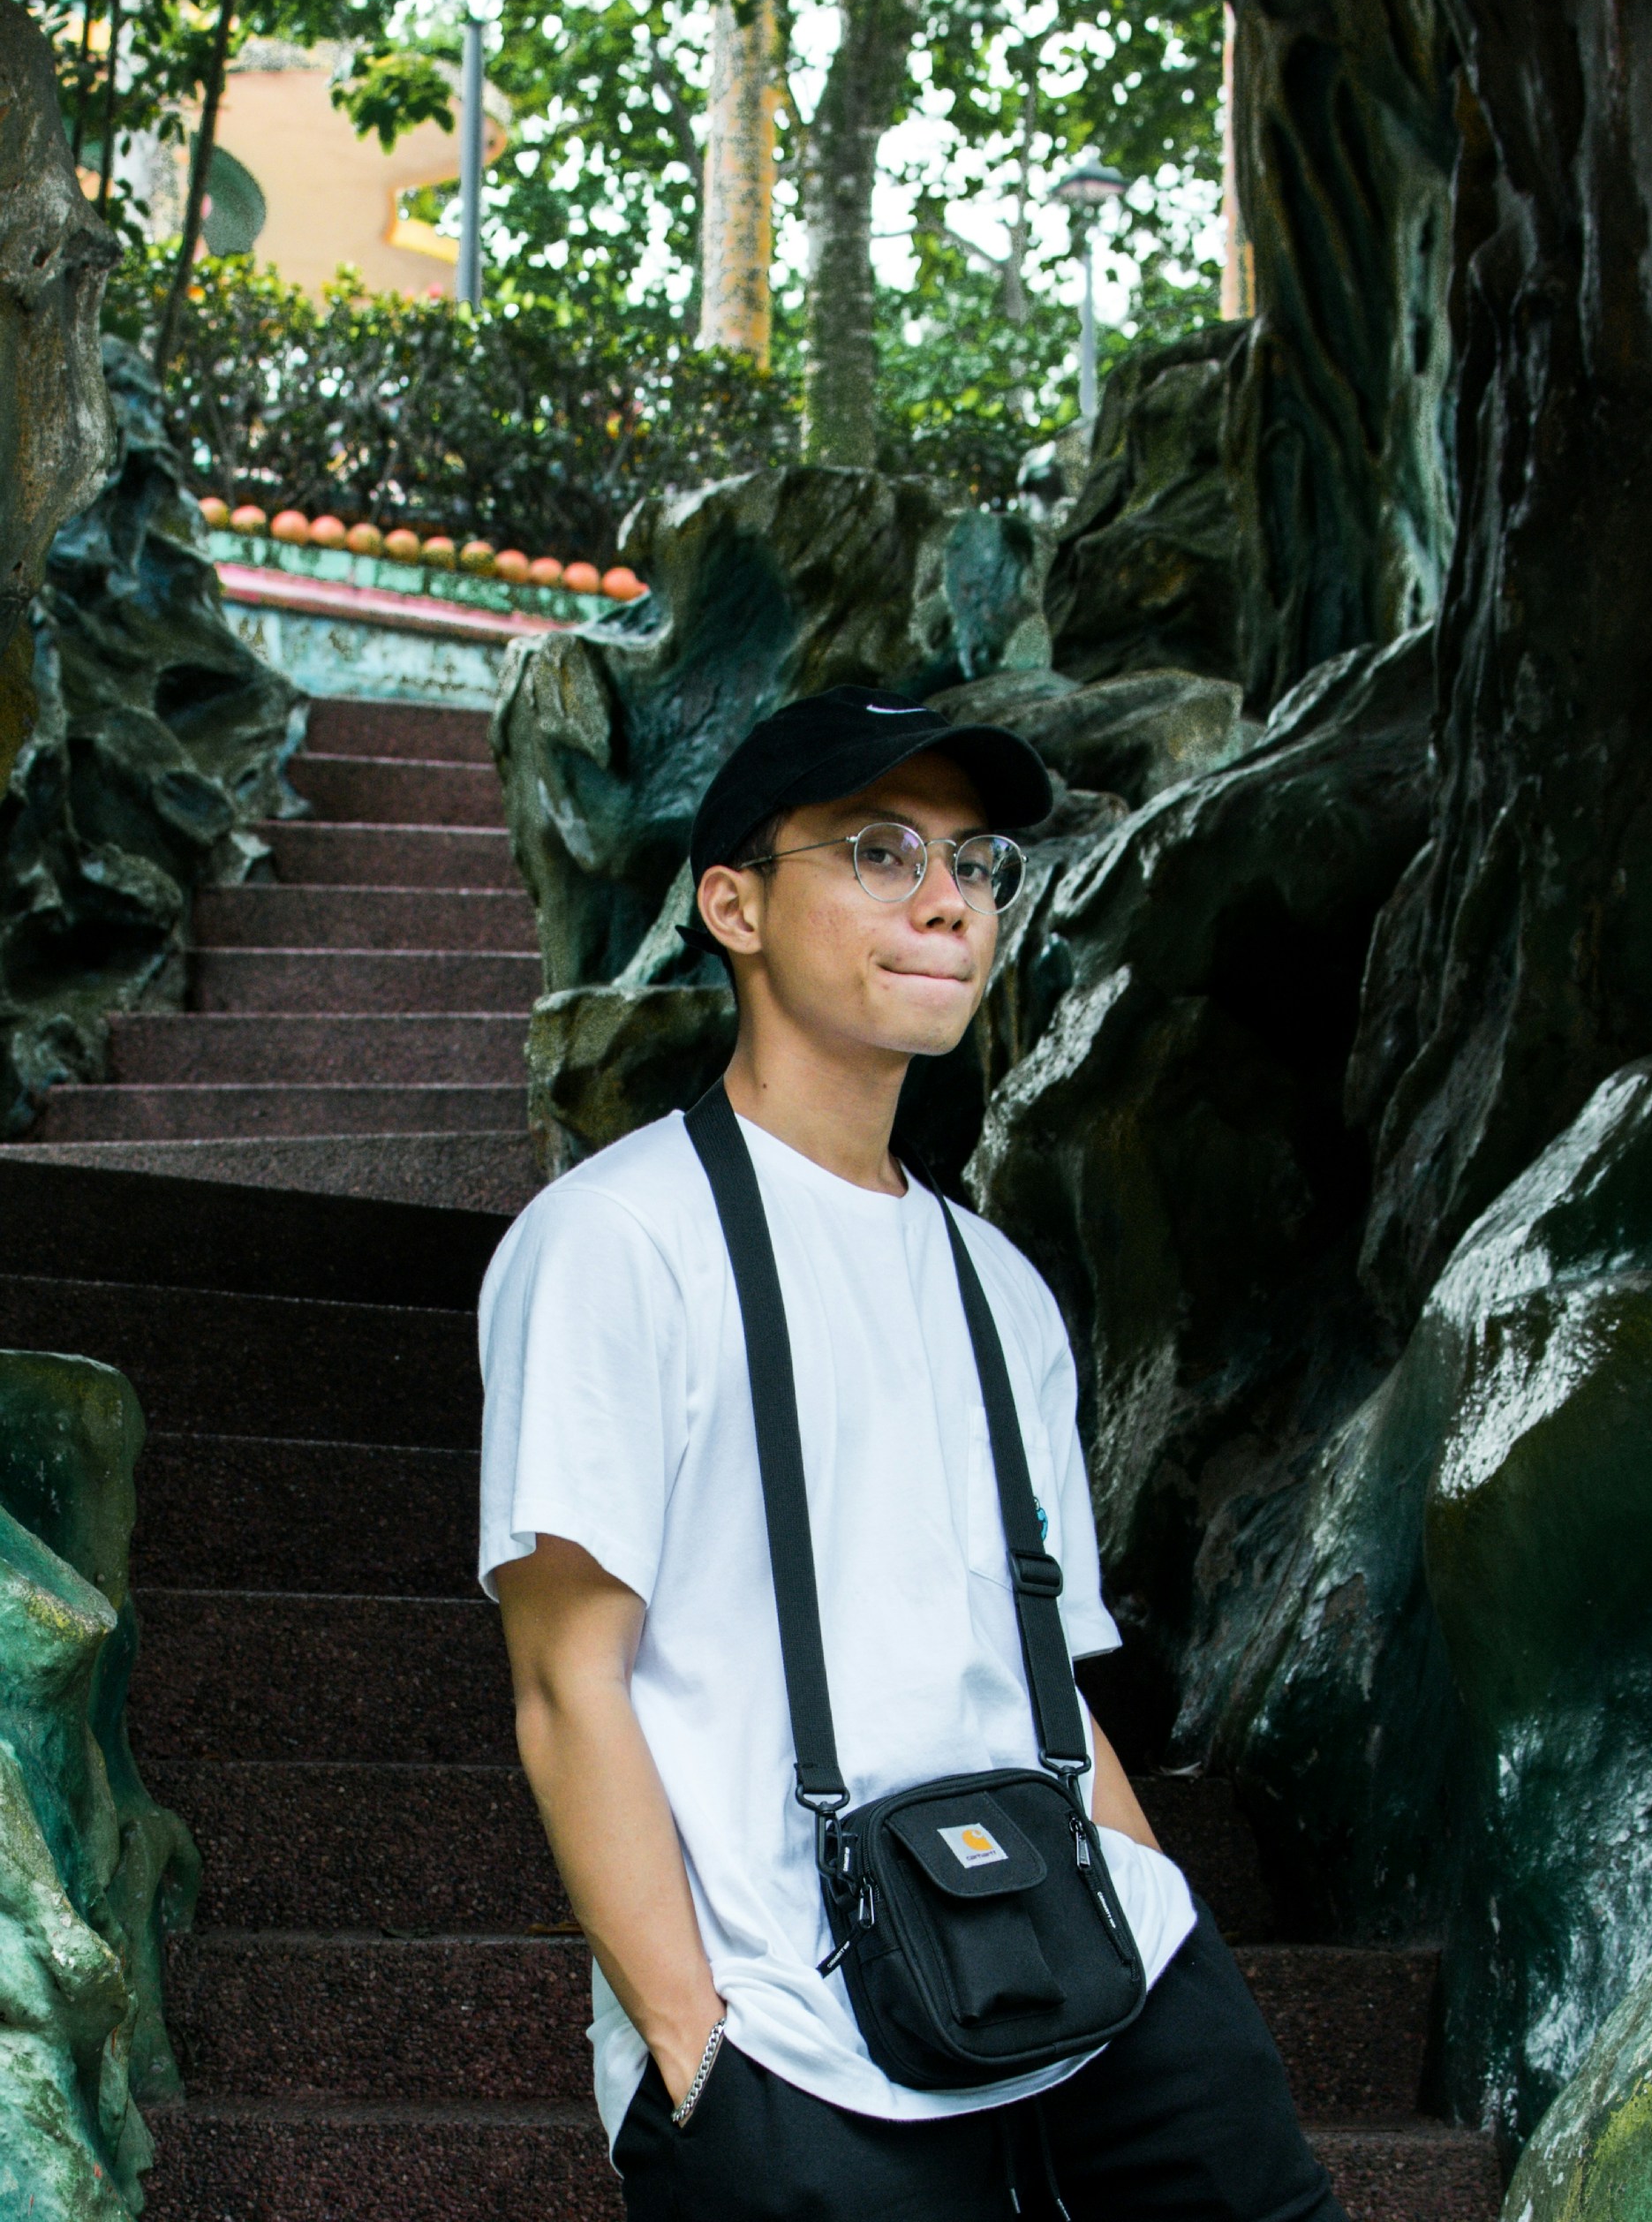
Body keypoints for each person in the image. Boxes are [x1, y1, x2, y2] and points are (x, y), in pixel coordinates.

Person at [479, 685, 1347, 2220]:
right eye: (880, 852)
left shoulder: (997, 1281)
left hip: (1102, 1959)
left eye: (975, 860)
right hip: (793, 2026)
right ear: (732, 905)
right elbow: (566, 1684)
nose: (949, 899)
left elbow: (1046, 1672)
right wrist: (695, 2052)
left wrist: (1167, 1917)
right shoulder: (616, 1245)